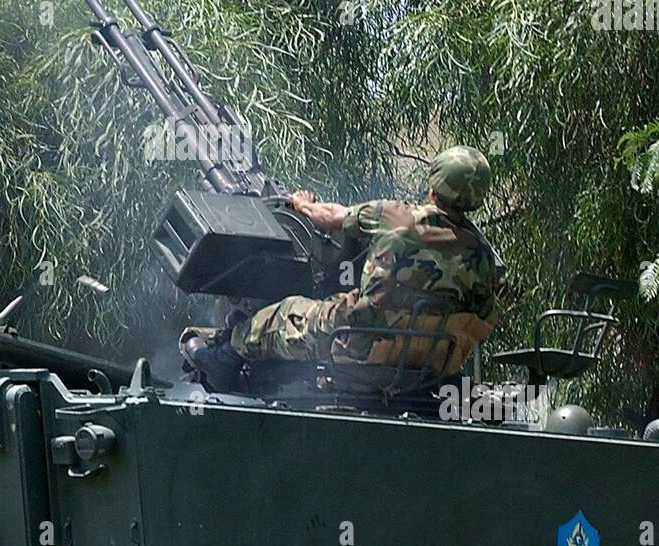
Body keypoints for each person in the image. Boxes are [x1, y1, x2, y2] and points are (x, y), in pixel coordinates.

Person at [181, 145, 501, 393]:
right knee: (339, 298)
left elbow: (333, 217)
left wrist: (301, 204)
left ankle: (224, 360)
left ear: (433, 186)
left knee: (284, 312)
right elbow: (480, 320)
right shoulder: (482, 254)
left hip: (360, 350)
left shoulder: (396, 217)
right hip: (429, 366)